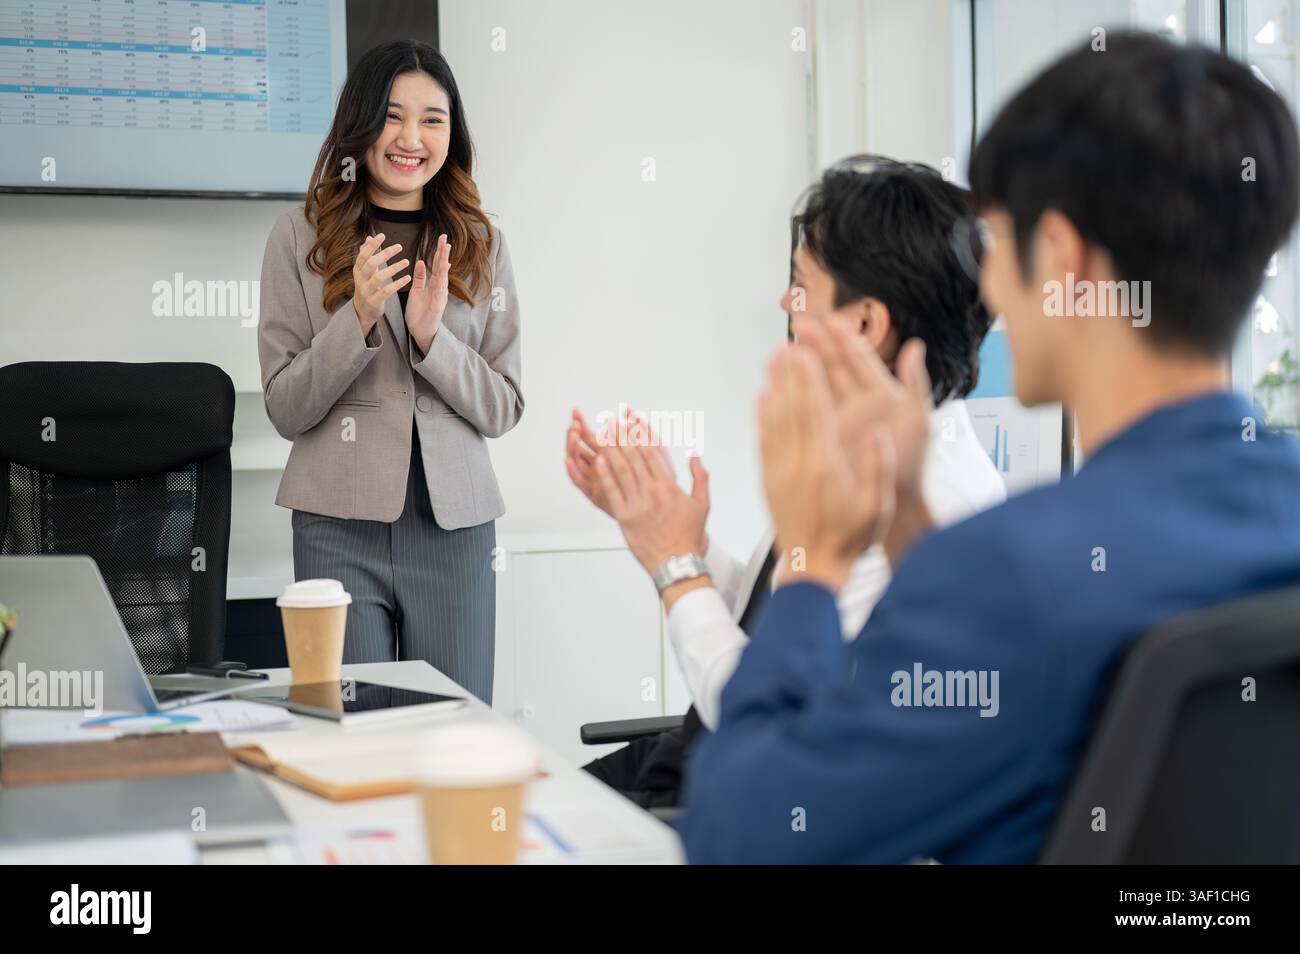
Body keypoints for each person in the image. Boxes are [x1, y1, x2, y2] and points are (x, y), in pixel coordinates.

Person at [678, 31, 1300, 863]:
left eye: (999, 247)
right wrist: (914, 536)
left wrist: (816, 571)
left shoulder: (1014, 575)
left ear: (1066, 259)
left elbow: (744, 833)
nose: (990, 291)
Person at [566, 157, 1005, 806]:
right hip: (698, 754)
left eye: (799, 288)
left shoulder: (927, 506)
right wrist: (675, 530)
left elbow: (768, 711)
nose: (783, 304)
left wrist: (674, 566)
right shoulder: (860, 438)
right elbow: (786, 617)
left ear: (865, 324)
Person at [257, 40, 522, 701]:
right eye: (394, 116)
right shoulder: (300, 236)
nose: (412, 137)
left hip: (454, 530)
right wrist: (359, 322)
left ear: (451, 133)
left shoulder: (483, 241)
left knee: (453, 734)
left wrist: (435, 341)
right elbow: (287, 407)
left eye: (433, 119)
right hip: (337, 529)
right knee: (354, 732)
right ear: (361, 124)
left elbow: (504, 404)